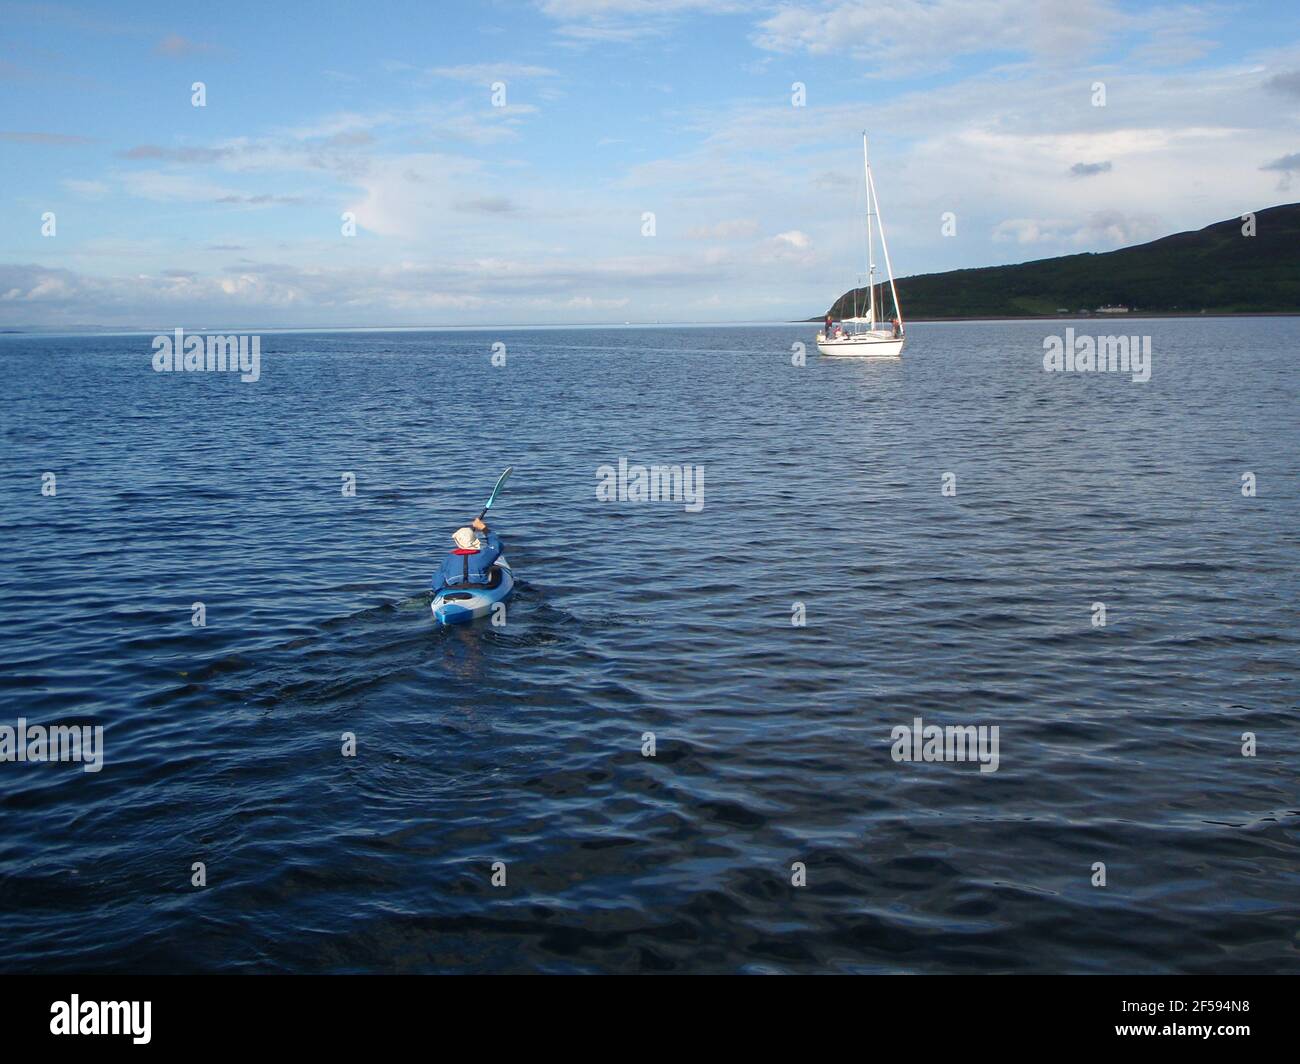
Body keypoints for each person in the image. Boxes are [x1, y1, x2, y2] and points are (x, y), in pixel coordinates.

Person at [432, 516, 502, 590]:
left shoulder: (449, 559)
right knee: (496, 569)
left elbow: (437, 580)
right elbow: (496, 545)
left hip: (454, 589)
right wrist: (484, 528)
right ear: (474, 541)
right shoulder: (484, 555)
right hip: (480, 587)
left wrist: (438, 591)